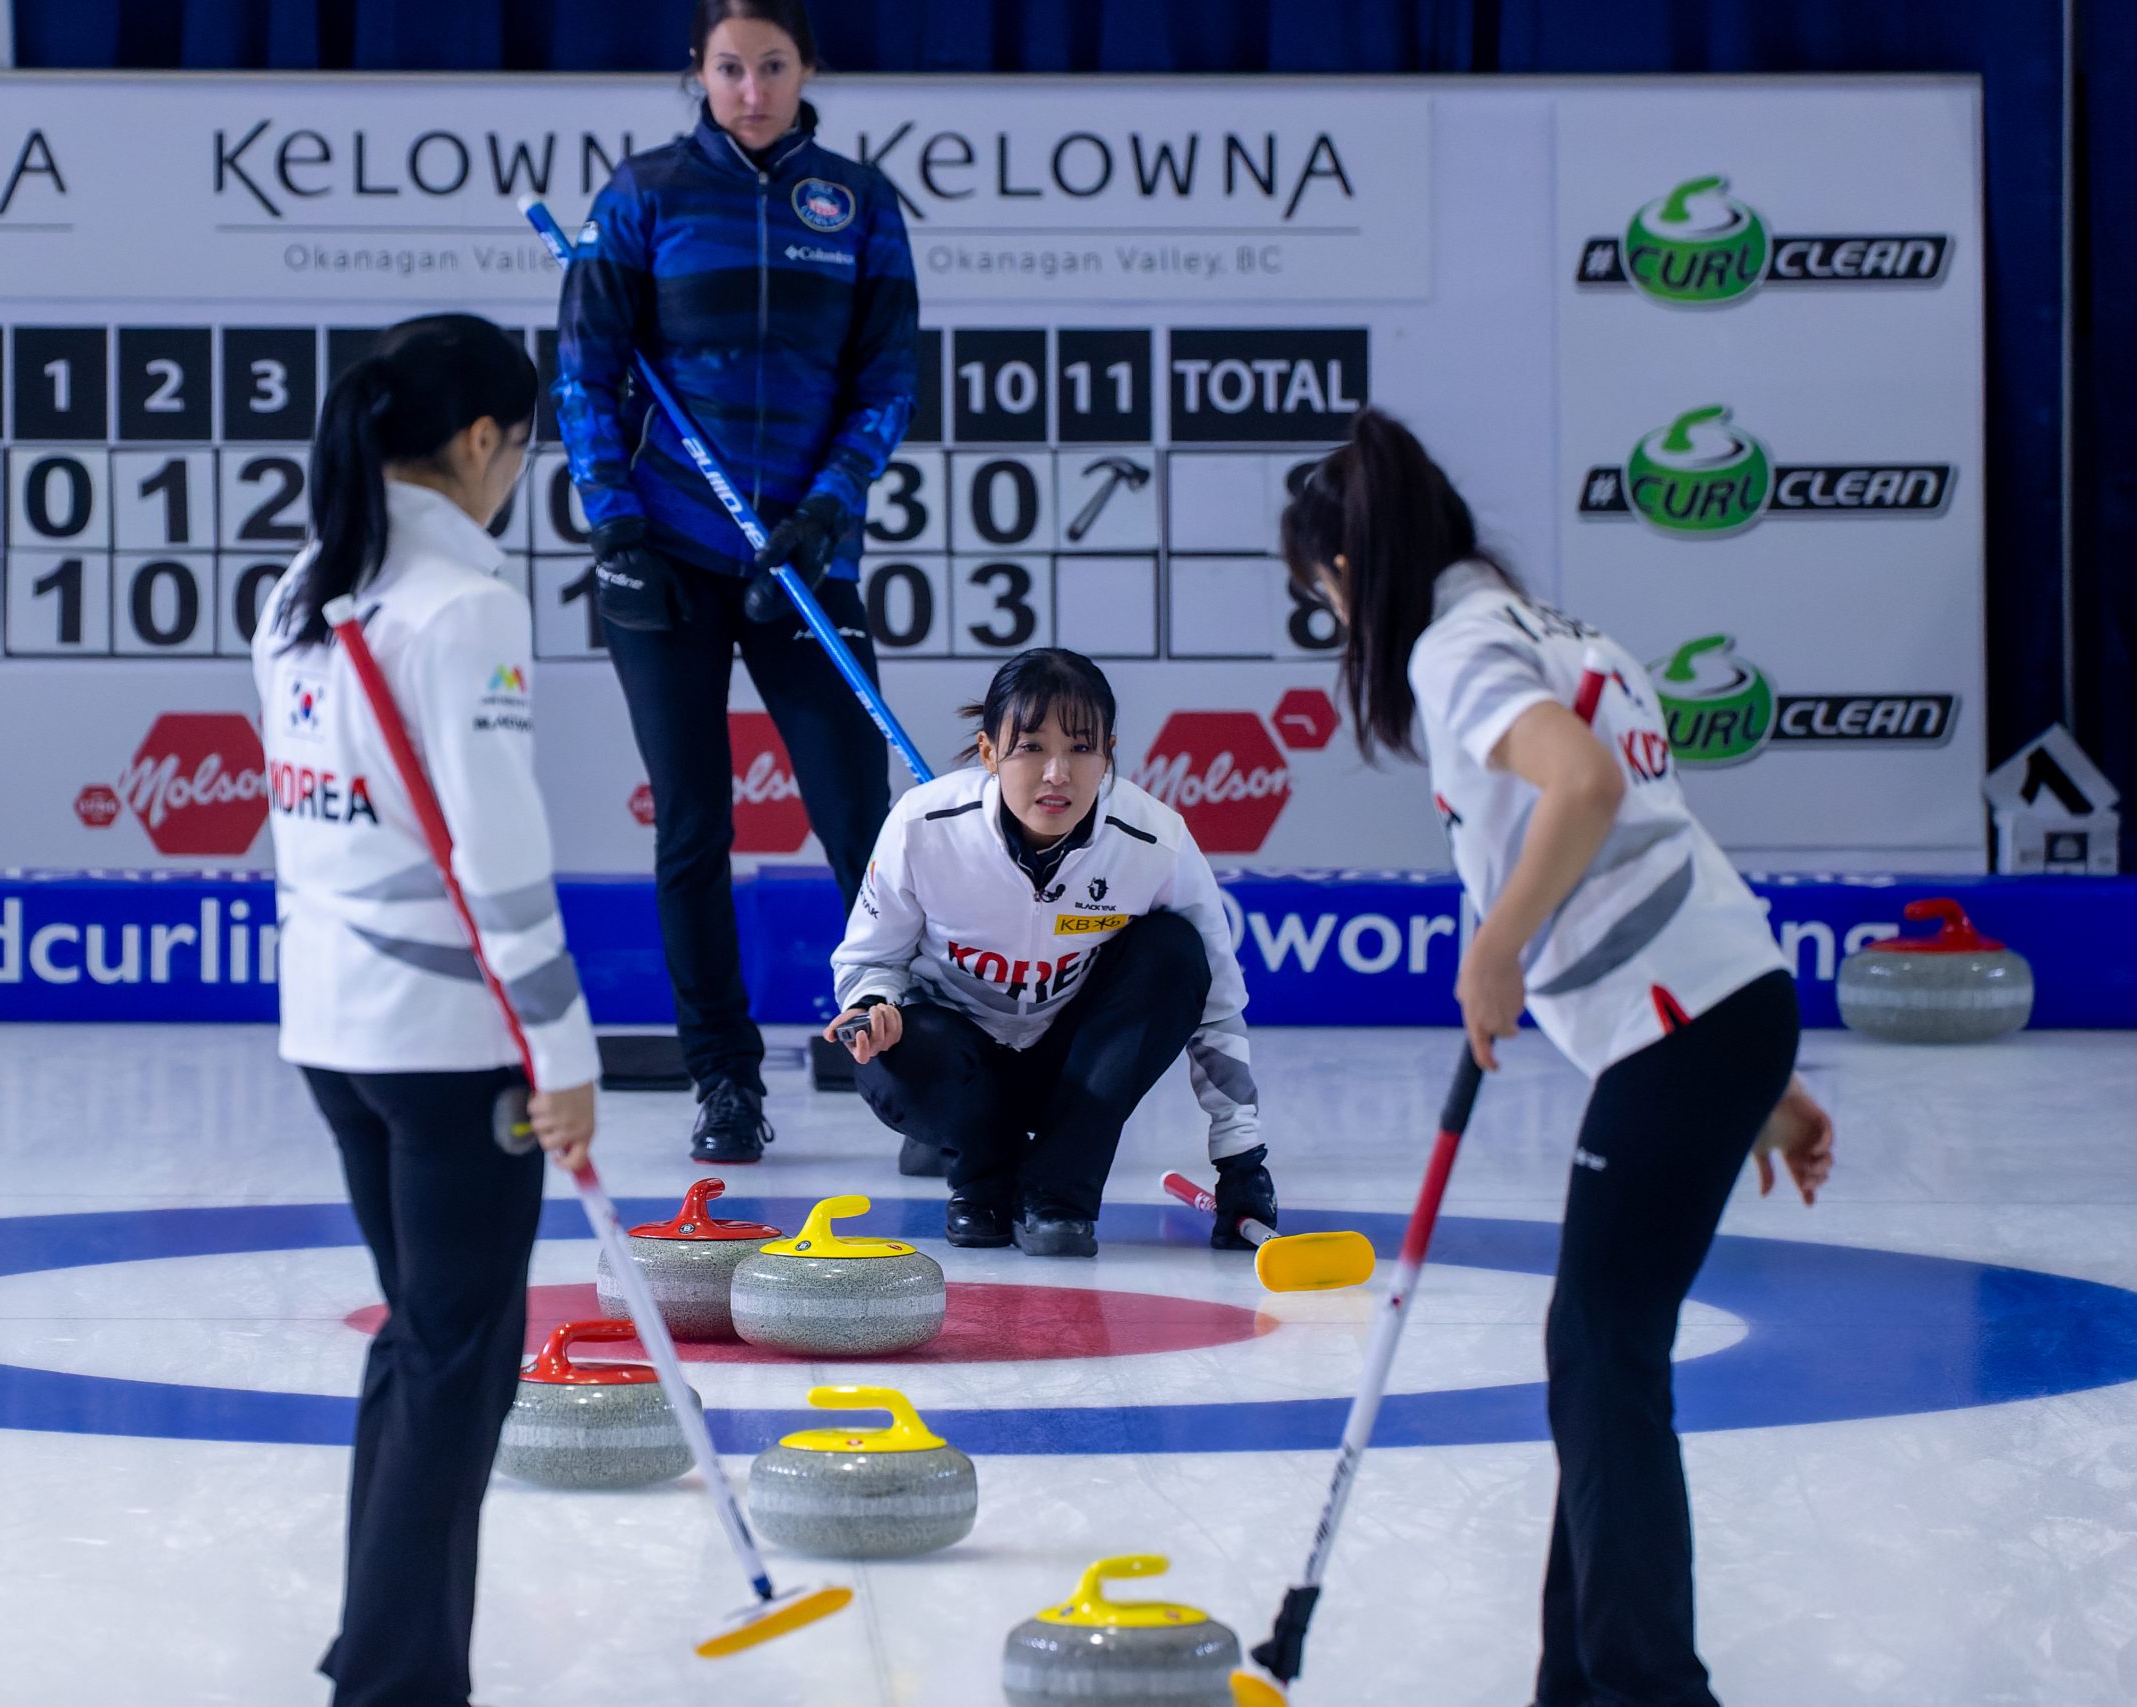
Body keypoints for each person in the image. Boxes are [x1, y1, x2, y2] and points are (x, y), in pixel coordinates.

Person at [1281, 408, 1836, 1707]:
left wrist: (1496, 948)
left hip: (1686, 1022)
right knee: (1600, 1347)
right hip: (1720, 1008)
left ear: (1349, 570)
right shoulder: (1556, 629)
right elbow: (1647, 823)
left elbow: (1584, 785)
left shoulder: (1456, 647)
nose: (1334, 618)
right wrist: (1759, 1078)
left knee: (1603, 1349)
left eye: (1322, 596)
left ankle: (1646, 1687)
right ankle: (1580, 1680)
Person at [253, 314, 601, 1707]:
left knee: (426, 1337)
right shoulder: (466, 607)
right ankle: (396, 1682)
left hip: (332, 1032)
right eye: (521, 452)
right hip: (452, 1046)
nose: (516, 478)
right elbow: (498, 858)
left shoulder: (299, 587)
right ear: (480, 440)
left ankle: (375, 1641)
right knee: (459, 1362)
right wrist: (564, 1051)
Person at [556, 0, 919, 1164]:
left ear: (807, 68)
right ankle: (724, 1080)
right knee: (692, 825)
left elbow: (887, 383)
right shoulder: (645, 193)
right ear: (699, 74)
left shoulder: (859, 203)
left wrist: (826, 510)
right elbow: (584, 373)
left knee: (860, 822)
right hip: (666, 555)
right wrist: (616, 526)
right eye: (729, 68)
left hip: (804, 555)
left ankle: (916, 1075)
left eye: (771, 66)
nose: (751, 91)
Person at [824, 648, 1280, 1257]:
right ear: (989, 752)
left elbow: (1216, 1005)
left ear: (1108, 754)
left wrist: (1241, 1158)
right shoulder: (922, 825)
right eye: (1031, 747)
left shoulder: (1155, 841)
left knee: (1175, 951)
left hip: (1074, 1073)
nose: (1057, 773)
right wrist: (872, 1005)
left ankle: (1058, 1195)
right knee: (899, 1047)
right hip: (961, 1063)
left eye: (1081, 748)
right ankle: (982, 1180)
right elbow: (868, 960)